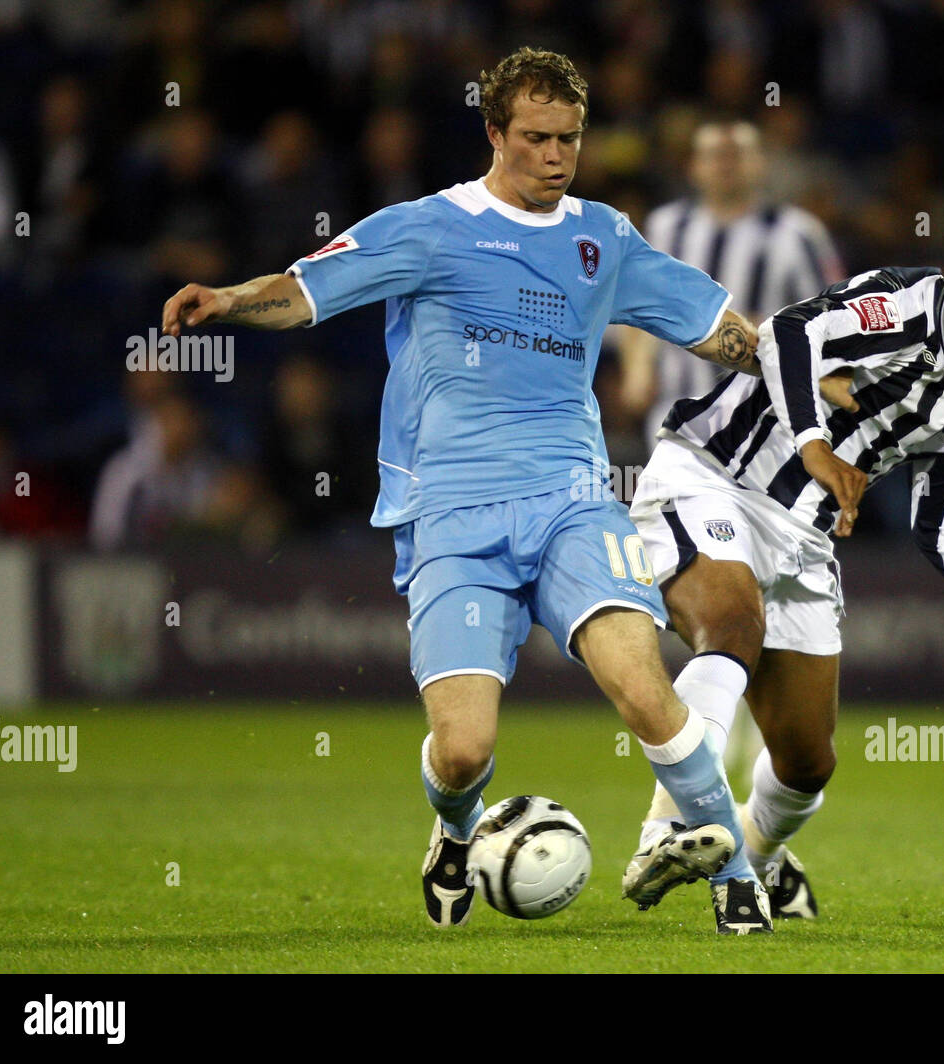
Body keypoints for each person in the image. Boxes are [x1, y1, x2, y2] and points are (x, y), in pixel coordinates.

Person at [161, 48, 778, 934]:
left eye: (570, 138)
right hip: (452, 515)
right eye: (536, 137)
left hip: (572, 500)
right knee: (462, 751)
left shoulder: (603, 238)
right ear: (494, 132)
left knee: (647, 692)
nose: (556, 156)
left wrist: (800, 372)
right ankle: (455, 831)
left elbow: (717, 330)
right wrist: (228, 300)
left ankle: (736, 877)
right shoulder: (426, 228)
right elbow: (303, 291)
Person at [623, 232, 944, 919]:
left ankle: (749, 866)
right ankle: (669, 829)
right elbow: (788, 332)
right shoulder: (899, 305)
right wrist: (813, 443)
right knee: (732, 627)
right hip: (715, 478)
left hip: (805, 537)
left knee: (806, 766)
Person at [618, 120, 844, 446]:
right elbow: (637, 304)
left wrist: (772, 331)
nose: (726, 165)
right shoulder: (666, 227)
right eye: (715, 155)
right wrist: (637, 369)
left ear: (760, 164)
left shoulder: (798, 233)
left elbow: (833, 315)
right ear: (694, 166)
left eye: (737, 154)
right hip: (678, 407)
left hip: (766, 413)